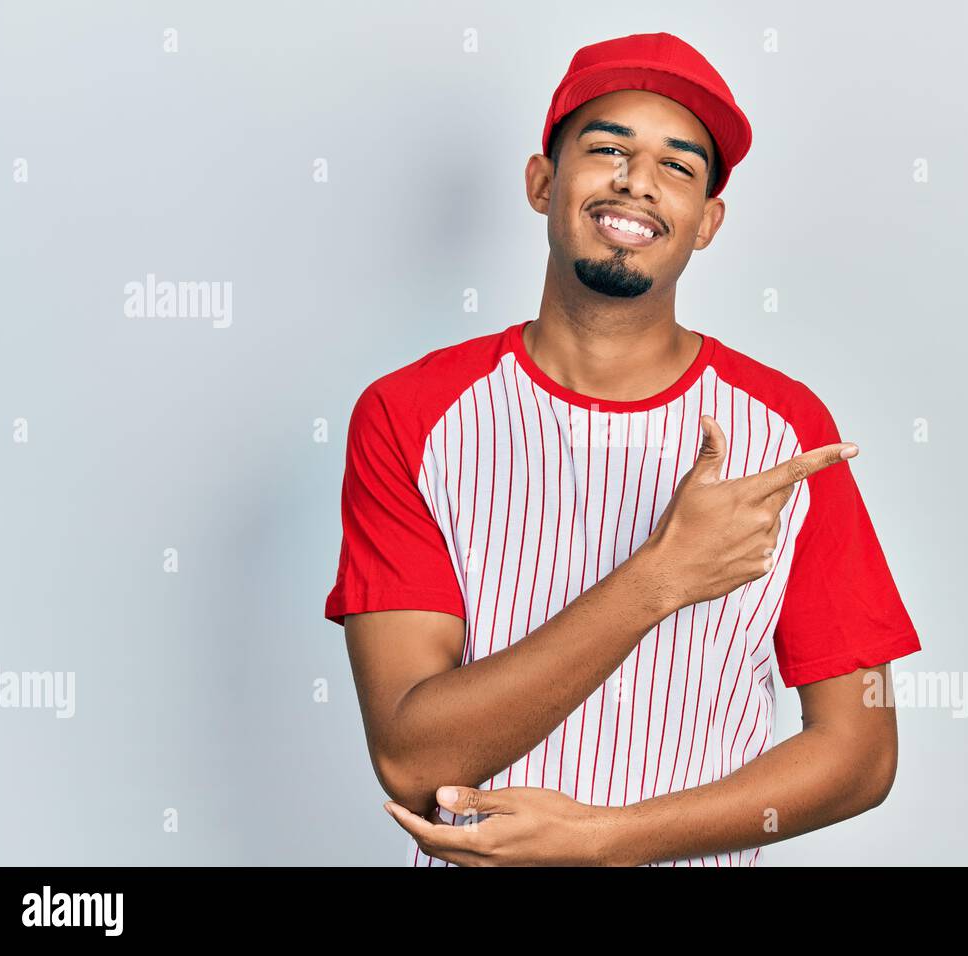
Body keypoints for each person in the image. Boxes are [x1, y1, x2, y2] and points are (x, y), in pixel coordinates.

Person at [324, 31, 921, 866]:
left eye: (679, 166)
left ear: (707, 221)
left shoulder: (784, 429)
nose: (638, 180)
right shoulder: (410, 413)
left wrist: (608, 840)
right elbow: (415, 759)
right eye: (608, 148)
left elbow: (860, 755)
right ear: (543, 182)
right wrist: (663, 577)